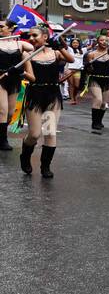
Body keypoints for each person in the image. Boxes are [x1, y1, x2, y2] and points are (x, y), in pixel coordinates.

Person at [18, 23, 75, 178]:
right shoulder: (27, 55)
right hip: (35, 94)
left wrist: (59, 47)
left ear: (45, 37)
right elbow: (32, 77)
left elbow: (71, 59)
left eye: (34, 35)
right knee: (35, 134)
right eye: (29, 36)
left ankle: (45, 166)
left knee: (50, 132)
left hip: (52, 95)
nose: (31, 38)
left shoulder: (55, 53)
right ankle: (25, 156)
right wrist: (21, 73)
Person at [0, 19, 33, 151]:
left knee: (10, 112)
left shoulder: (19, 44)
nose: (0, 28)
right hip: (0, 78)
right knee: (2, 110)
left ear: (11, 28)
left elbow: (31, 47)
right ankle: (2, 141)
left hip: (14, 80)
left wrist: (19, 38)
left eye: (2, 26)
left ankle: (1, 134)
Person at [83, 30, 109, 134]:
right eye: (102, 40)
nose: (104, 42)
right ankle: (94, 122)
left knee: (104, 103)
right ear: (97, 42)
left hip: (106, 79)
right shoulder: (91, 54)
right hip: (94, 78)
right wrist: (88, 65)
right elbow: (88, 69)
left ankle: (99, 121)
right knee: (98, 99)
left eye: (106, 40)